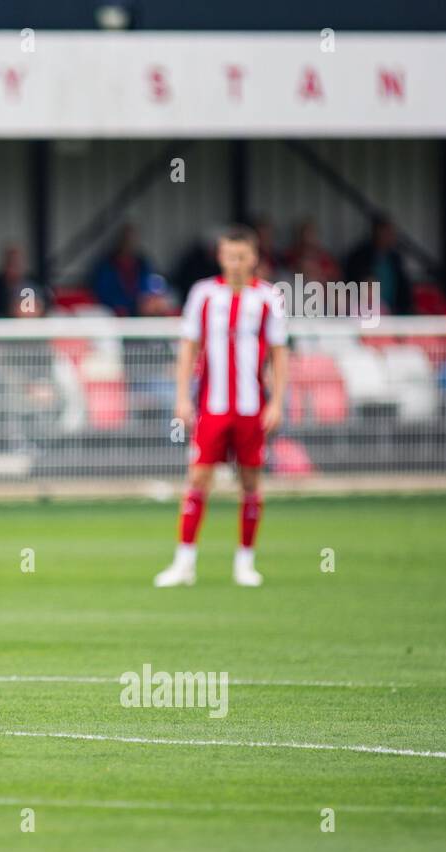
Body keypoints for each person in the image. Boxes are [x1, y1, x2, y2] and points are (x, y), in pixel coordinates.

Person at [154, 225, 288, 589]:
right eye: (230, 256)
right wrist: (182, 396)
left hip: (250, 406)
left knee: (250, 481)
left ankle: (245, 562)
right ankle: (185, 562)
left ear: (254, 258)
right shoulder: (203, 294)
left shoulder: (269, 298)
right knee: (198, 477)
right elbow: (188, 348)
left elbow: (279, 353)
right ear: (220, 257)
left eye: (243, 256)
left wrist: (277, 401)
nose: (236, 263)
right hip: (212, 406)